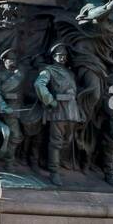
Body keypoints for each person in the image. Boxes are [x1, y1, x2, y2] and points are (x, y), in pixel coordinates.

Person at [34, 43, 82, 178]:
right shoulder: (48, 70)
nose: (63, 58)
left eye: (64, 56)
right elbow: (39, 84)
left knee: (68, 140)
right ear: (54, 56)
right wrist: (50, 100)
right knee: (56, 141)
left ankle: (59, 163)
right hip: (59, 110)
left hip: (72, 111)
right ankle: (54, 171)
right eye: (60, 55)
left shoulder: (70, 73)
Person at [0, 48, 29, 164]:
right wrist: (3, 107)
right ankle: (9, 160)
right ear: (4, 60)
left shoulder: (19, 73)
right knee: (16, 135)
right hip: (8, 108)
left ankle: (14, 157)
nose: (13, 62)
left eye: (14, 59)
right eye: (10, 59)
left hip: (20, 107)